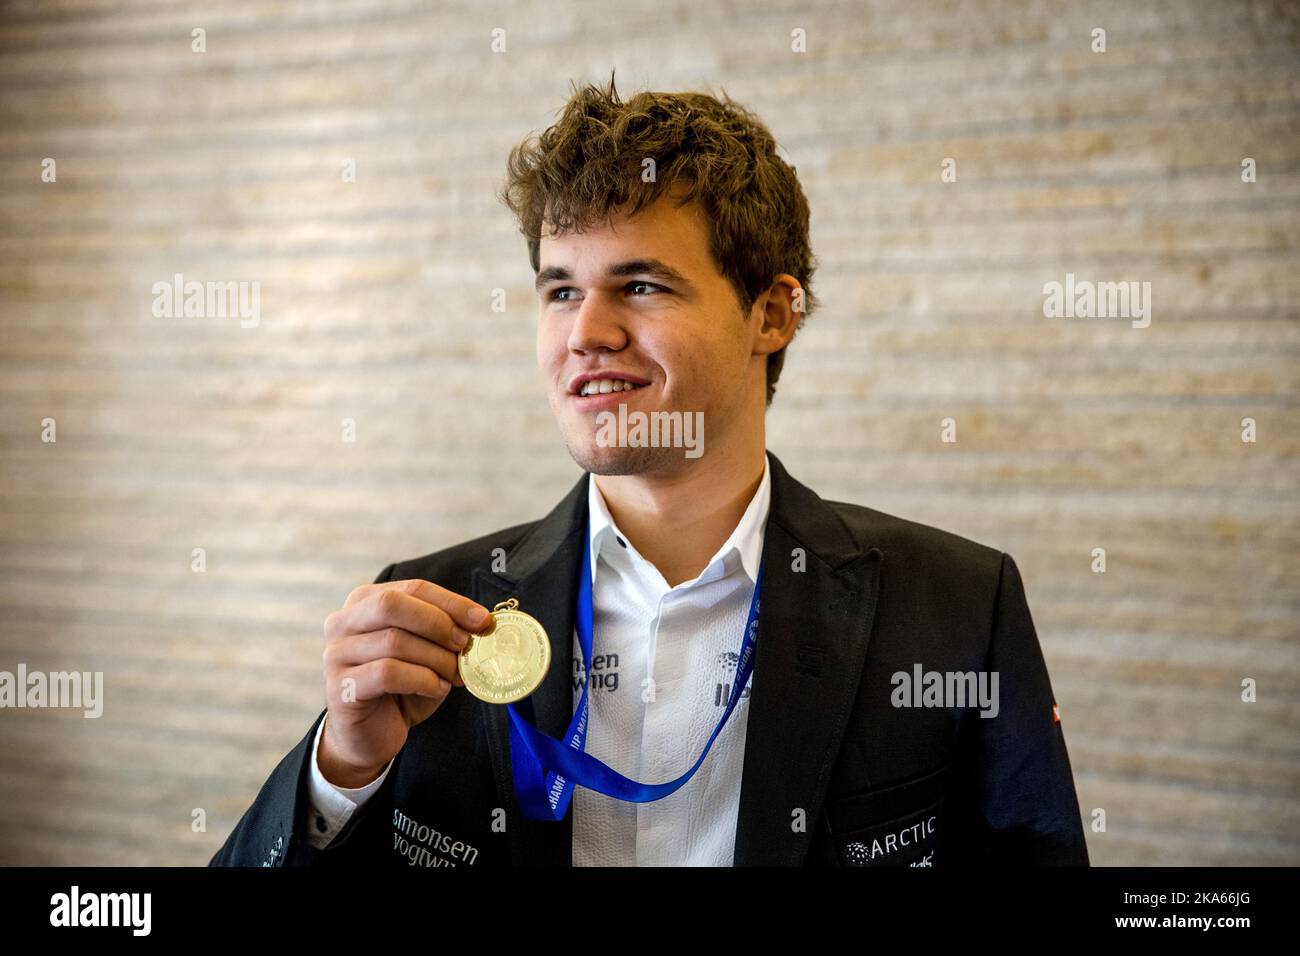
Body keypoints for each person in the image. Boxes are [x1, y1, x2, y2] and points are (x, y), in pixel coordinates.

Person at [209, 76, 1088, 868]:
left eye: (640, 286)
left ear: (772, 314)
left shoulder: (958, 608)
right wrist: (342, 770)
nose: (586, 331)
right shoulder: (424, 619)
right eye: (560, 290)